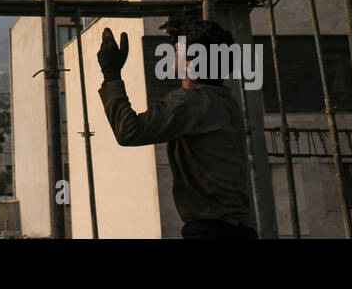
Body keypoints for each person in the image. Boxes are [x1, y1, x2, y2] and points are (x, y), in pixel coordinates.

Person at [96, 12, 258, 239]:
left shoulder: (192, 103)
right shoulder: (225, 101)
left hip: (212, 232)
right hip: (237, 230)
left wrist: (111, 73)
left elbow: (128, 131)